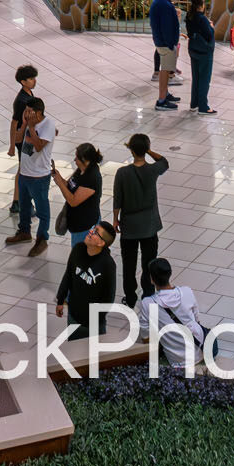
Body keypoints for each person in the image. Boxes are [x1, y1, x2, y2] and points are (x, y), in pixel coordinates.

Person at [112, 134, 168, 305]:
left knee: (129, 266)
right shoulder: (152, 170)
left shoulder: (122, 173)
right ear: (146, 149)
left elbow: (117, 199)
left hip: (129, 226)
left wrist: (116, 219)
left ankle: (130, 298)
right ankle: (148, 294)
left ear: (130, 149)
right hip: (149, 226)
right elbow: (164, 162)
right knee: (148, 263)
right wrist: (148, 150)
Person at [6, 96, 55, 256]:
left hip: (39, 176)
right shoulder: (28, 122)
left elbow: (40, 146)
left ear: (38, 112)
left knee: (42, 210)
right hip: (25, 173)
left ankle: (42, 239)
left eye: (28, 111)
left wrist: (32, 128)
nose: (25, 113)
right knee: (24, 206)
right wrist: (25, 124)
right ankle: (24, 232)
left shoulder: (48, 124)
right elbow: (19, 139)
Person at [139, 258, 207, 371]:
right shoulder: (187, 291)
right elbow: (197, 320)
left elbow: (145, 338)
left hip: (177, 361)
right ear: (170, 273)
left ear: (151, 279)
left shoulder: (148, 303)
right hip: (200, 351)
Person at [54, 221, 117, 341]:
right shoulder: (78, 249)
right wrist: (60, 299)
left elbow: (108, 297)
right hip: (73, 317)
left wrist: (95, 319)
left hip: (94, 325)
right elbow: (68, 275)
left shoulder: (108, 265)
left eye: (95, 232)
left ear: (101, 242)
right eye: (93, 228)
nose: (90, 232)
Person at [52, 141, 104, 255]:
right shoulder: (81, 170)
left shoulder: (91, 177)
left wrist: (60, 184)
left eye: (77, 158)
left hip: (85, 227)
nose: (74, 160)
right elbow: (71, 187)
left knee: (80, 256)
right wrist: (59, 178)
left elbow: (73, 201)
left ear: (85, 160)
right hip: (77, 224)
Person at [7, 65, 40, 217]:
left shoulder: (28, 94)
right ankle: (22, 202)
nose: (34, 81)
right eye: (31, 79)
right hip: (23, 141)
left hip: (28, 138)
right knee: (25, 171)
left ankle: (17, 201)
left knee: (23, 169)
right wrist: (12, 145)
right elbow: (14, 123)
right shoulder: (21, 100)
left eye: (34, 78)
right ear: (23, 81)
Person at [148, 0, 180, 110]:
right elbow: (166, 27)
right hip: (165, 44)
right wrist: (171, 44)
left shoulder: (163, 1)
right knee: (165, 71)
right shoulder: (165, 5)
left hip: (162, 42)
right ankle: (161, 101)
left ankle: (165, 94)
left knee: (165, 70)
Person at [185, 0, 217, 115]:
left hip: (193, 49)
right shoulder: (202, 18)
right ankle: (203, 106)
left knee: (196, 77)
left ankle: (194, 104)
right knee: (204, 78)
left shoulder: (189, 16)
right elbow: (209, 34)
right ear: (201, 6)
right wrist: (211, 27)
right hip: (204, 51)